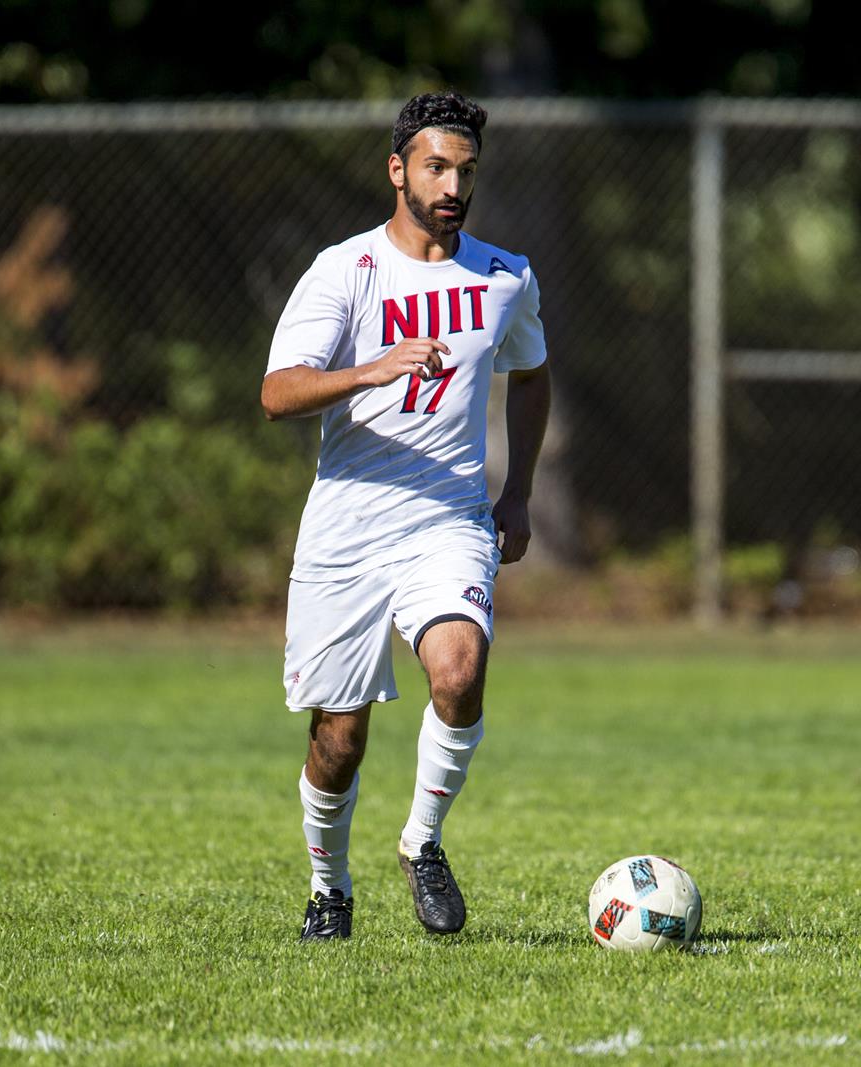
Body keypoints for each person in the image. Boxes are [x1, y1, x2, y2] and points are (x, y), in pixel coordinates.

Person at [261, 91, 550, 942]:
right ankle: (329, 887)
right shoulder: (345, 271)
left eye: (465, 169)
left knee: (459, 672)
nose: (453, 183)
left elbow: (531, 374)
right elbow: (278, 393)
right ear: (398, 171)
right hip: (347, 529)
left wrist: (520, 488)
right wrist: (371, 370)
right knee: (339, 740)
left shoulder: (506, 276)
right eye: (435, 165)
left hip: (448, 518)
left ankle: (422, 843)